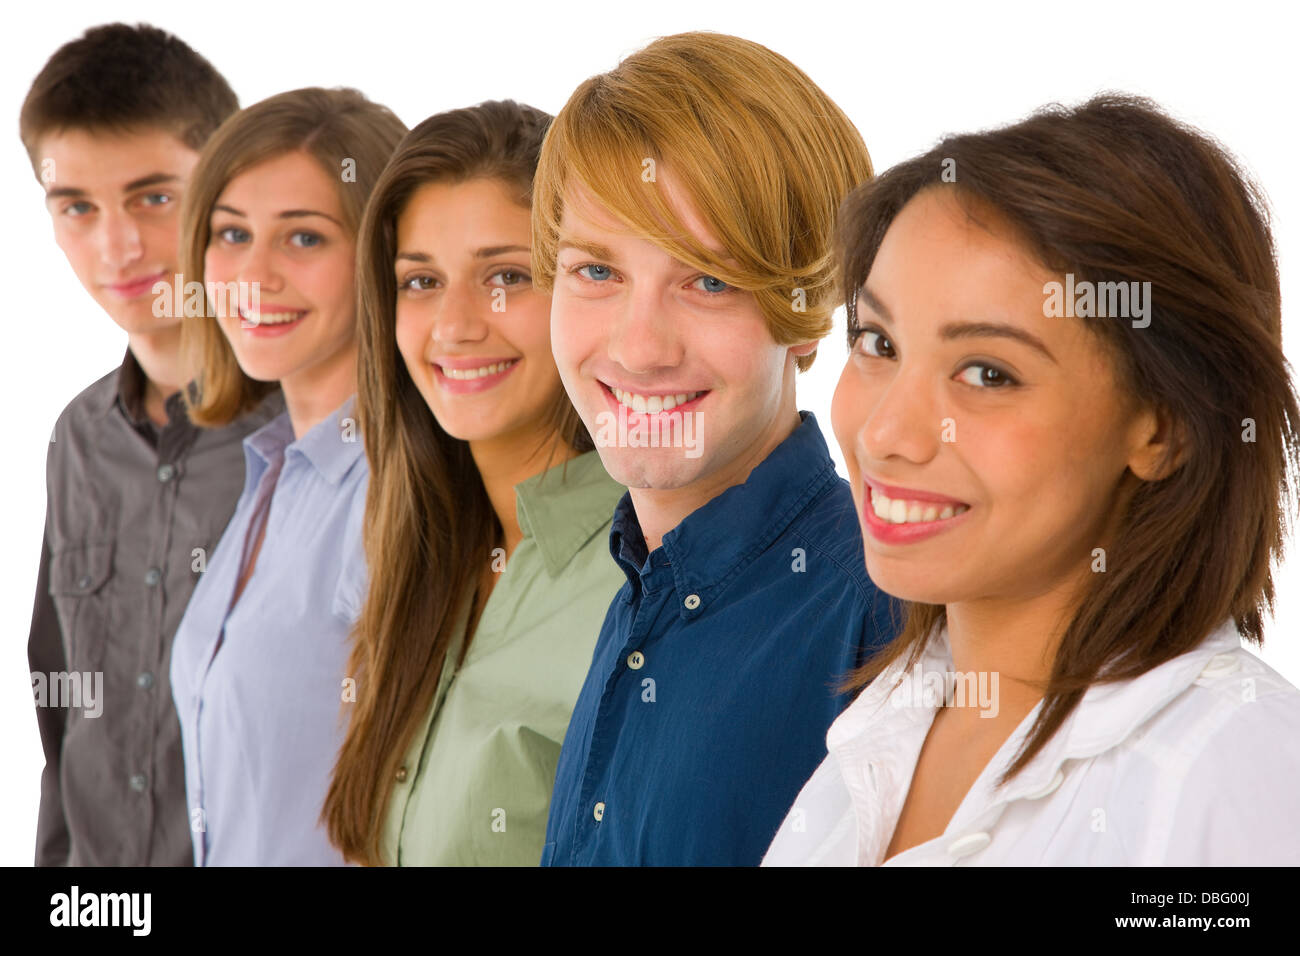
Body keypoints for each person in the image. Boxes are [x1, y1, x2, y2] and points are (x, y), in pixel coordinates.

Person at [763, 94, 1300, 866]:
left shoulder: (1234, 781)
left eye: (987, 372)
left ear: (1164, 427)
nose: (885, 434)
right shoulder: (882, 726)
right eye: (878, 342)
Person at [534, 31, 897, 866]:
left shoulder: (883, 617)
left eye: (710, 281)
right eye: (596, 271)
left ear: (806, 317)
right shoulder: (636, 583)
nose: (640, 347)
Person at [322, 101, 627, 866]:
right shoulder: (427, 554)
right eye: (420, 281)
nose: (455, 325)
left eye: (506, 277)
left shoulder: (643, 576)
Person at [21, 22, 282, 866]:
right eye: (77, 209)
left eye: (154, 197)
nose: (117, 248)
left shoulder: (320, 433)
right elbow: (64, 722)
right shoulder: (77, 439)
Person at [168, 87, 406, 865]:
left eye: (302, 238)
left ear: (381, 255)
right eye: (231, 233)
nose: (253, 275)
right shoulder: (275, 467)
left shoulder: (391, 490)